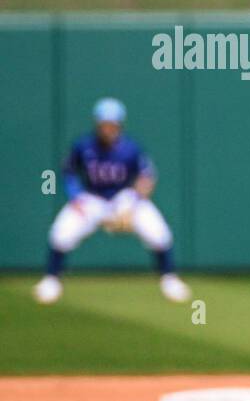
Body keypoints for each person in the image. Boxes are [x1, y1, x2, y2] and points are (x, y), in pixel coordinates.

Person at [34, 98, 192, 305]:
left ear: (119, 125)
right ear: (97, 124)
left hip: (124, 198)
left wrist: (134, 202)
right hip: (91, 198)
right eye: (104, 124)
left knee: (159, 232)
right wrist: (75, 197)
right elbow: (68, 171)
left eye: (112, 124)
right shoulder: (83, 146)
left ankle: (169, 279)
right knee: (60, 232)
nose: (108, 129)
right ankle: (51, 280)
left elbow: (147, 177)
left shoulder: (131, 148)